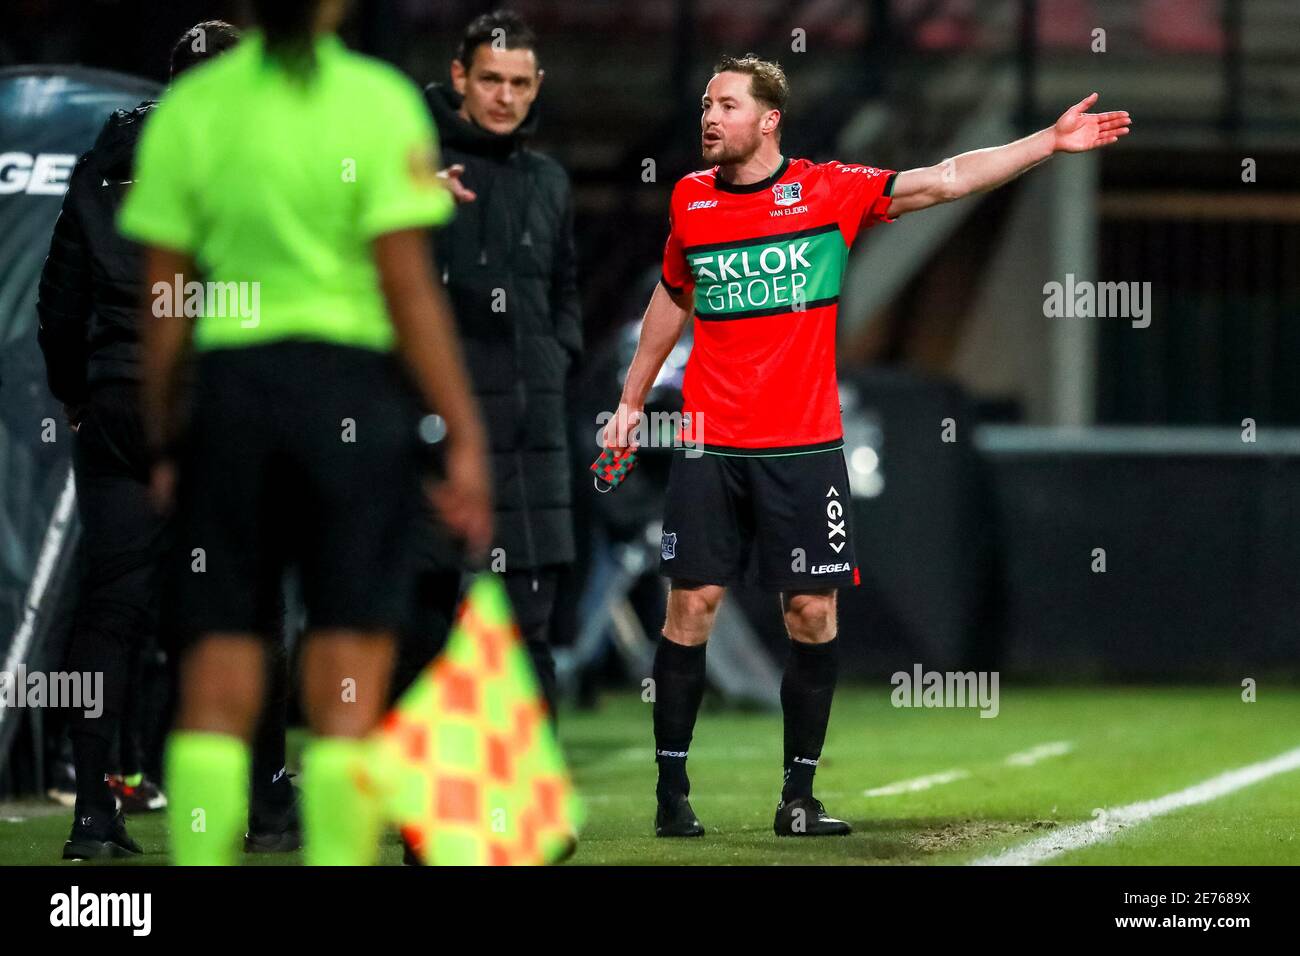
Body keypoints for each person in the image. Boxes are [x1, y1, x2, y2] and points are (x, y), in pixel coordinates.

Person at [603, 55, 1130, 838]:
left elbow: (945, 179)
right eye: (706, 106)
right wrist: (629, 402)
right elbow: (671, 299)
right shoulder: (691, 199)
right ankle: (671, 793)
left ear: (769, 119)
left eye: (726, 106)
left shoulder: (828, 191)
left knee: (812, 614)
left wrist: (1043, 145)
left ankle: (798, 798)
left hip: (804, 444)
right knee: (693, 606)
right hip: (709, 442)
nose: (708, 119)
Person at [119, 0, 491, 865]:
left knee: (216, 678)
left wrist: (169, 437)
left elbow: (163, 303)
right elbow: (408, 289)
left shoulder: (192, 111)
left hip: (231, 395)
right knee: (346, 679)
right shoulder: (377, 100)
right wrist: (463, 432)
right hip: (349, 400)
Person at [36, 19, 260, 861]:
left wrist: (81, 395)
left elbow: (59, 303)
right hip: (208, 404)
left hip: (120, 404)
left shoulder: (103, 162)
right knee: (227, 610)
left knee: (110, 609)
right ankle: (235, 810)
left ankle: (93, 813)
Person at [408, 9, 581, 717]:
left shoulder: (549, 181)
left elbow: (564, 285)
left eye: (518, 82)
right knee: (427, 621)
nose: (504, 96)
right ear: (459, 78)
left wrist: (554, 357)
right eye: (489, 80)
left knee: (530, 624)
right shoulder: (409, 166)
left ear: (536, 86)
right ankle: (420, 803)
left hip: (530, 437)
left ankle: (527, 807)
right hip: (439, 433)